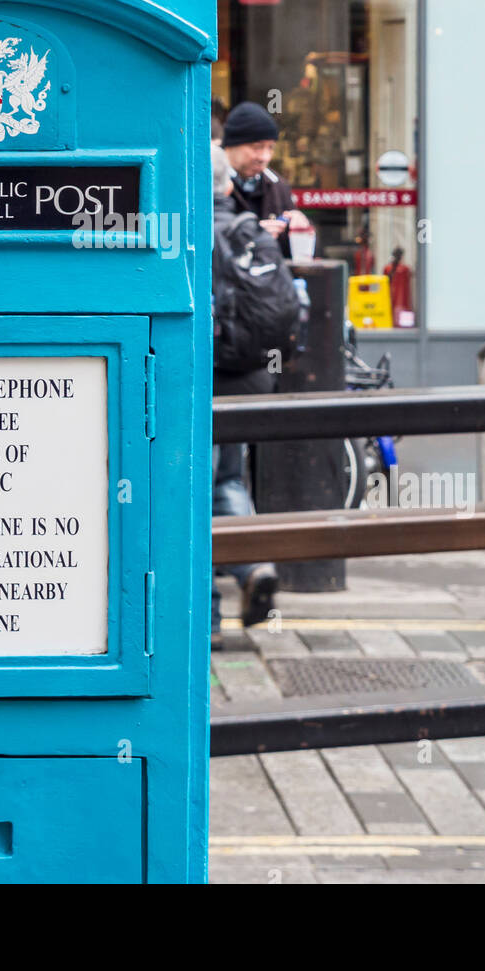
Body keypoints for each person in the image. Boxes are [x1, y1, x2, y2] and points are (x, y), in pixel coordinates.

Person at [211, 141, 298, 650]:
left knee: (192, 487)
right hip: (251, 375)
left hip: (204, 373)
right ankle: (253, 562)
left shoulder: (184, 227)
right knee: (230, 477)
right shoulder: (249, 228)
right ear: (226, 183)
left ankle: (208, 620)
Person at [221, 101, 312, 257]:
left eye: (270, 148)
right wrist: (252, 235)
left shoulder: (278, 185)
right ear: (231, 145)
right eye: (257, 147)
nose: (264, 157)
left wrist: (301, 229)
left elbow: (299, 256)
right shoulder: (211, 184)